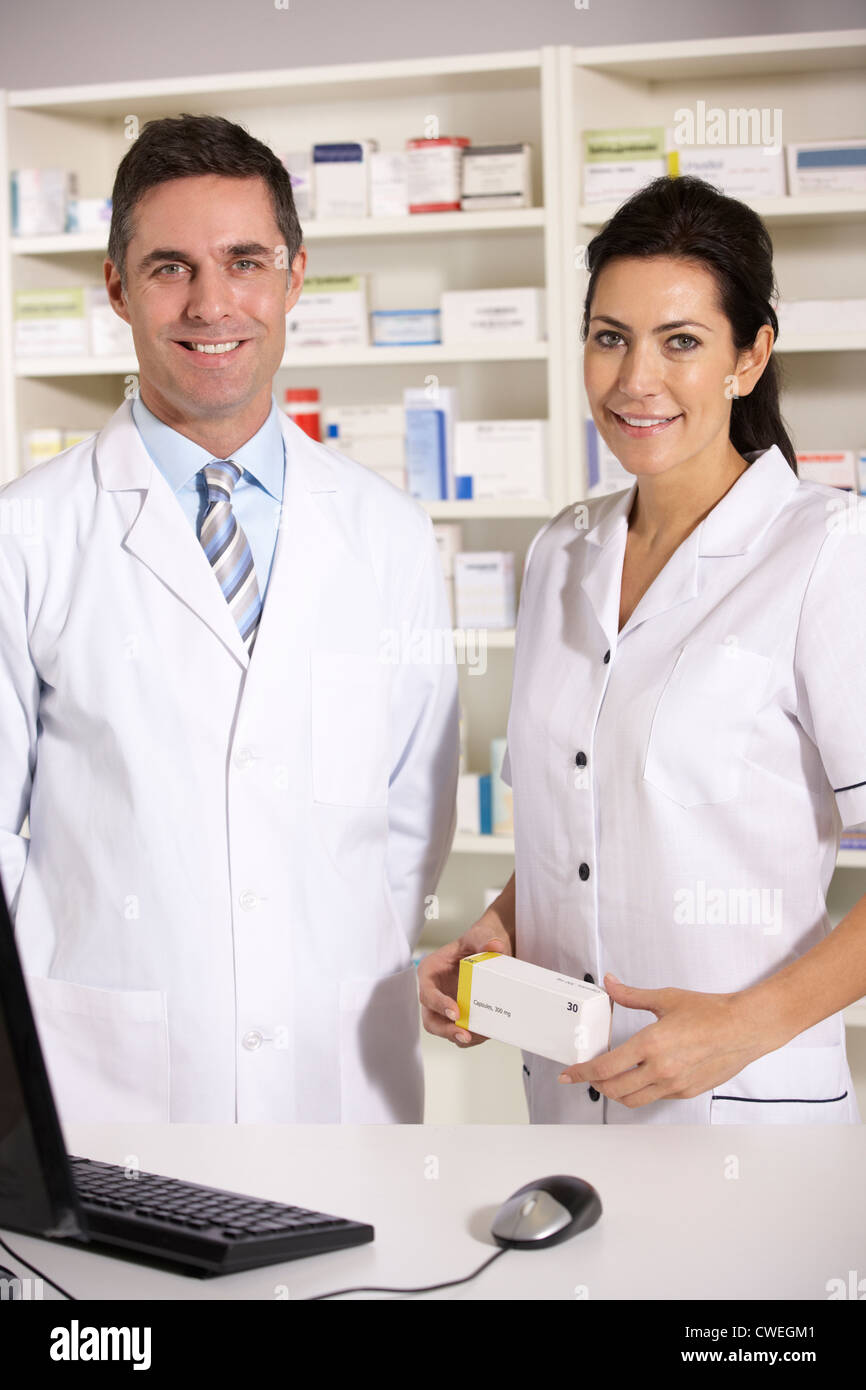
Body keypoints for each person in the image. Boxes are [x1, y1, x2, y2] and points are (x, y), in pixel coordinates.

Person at [0, 114, 458, 1126]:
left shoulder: (386, 532)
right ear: (117, 288)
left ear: (294, 277)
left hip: (338, 1081)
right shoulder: (25, 535)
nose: (211, 303)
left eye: (244, 261)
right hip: (101, 1086)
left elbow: (408, 828)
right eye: (170, 267)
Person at [420, 175, 866, 1124]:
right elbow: (583, 811)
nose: (636, 381)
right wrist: (500, 928)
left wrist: (744, 1025)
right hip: (568, 1097)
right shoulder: (562, 549)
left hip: (744, 1114)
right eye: (610, 337)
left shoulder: (825, 552)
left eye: (682, 343)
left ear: (751, 358)